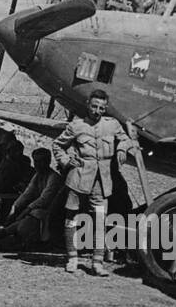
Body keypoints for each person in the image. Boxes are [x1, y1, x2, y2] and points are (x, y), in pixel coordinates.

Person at [53, 89, 138, 276]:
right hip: (78, 179)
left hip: (101, 182)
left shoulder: (112, 125)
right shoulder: (76, 126)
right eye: (94, 106)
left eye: (101, 108)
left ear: (105, 108)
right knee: (72, 218)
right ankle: (72, 259)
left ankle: (97, 263)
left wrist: (122, 148)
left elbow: (126, 139)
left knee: (100, 219)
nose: (97, 111)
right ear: (87, 104)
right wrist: (66, 161)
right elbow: (58, 145)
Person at [0, 148, 63, 250]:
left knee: (32, 217)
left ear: (47, 161)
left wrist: (27, 209)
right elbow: (27, 194)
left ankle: (10, 234)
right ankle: (6, 233)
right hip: (39, 209)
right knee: (21, 213)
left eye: (41, 161)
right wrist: (15, 207)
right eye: (36, 162)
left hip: (52, 212)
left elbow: (45, 199)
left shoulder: (53, 177)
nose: (37, 165)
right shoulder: (38, 175)